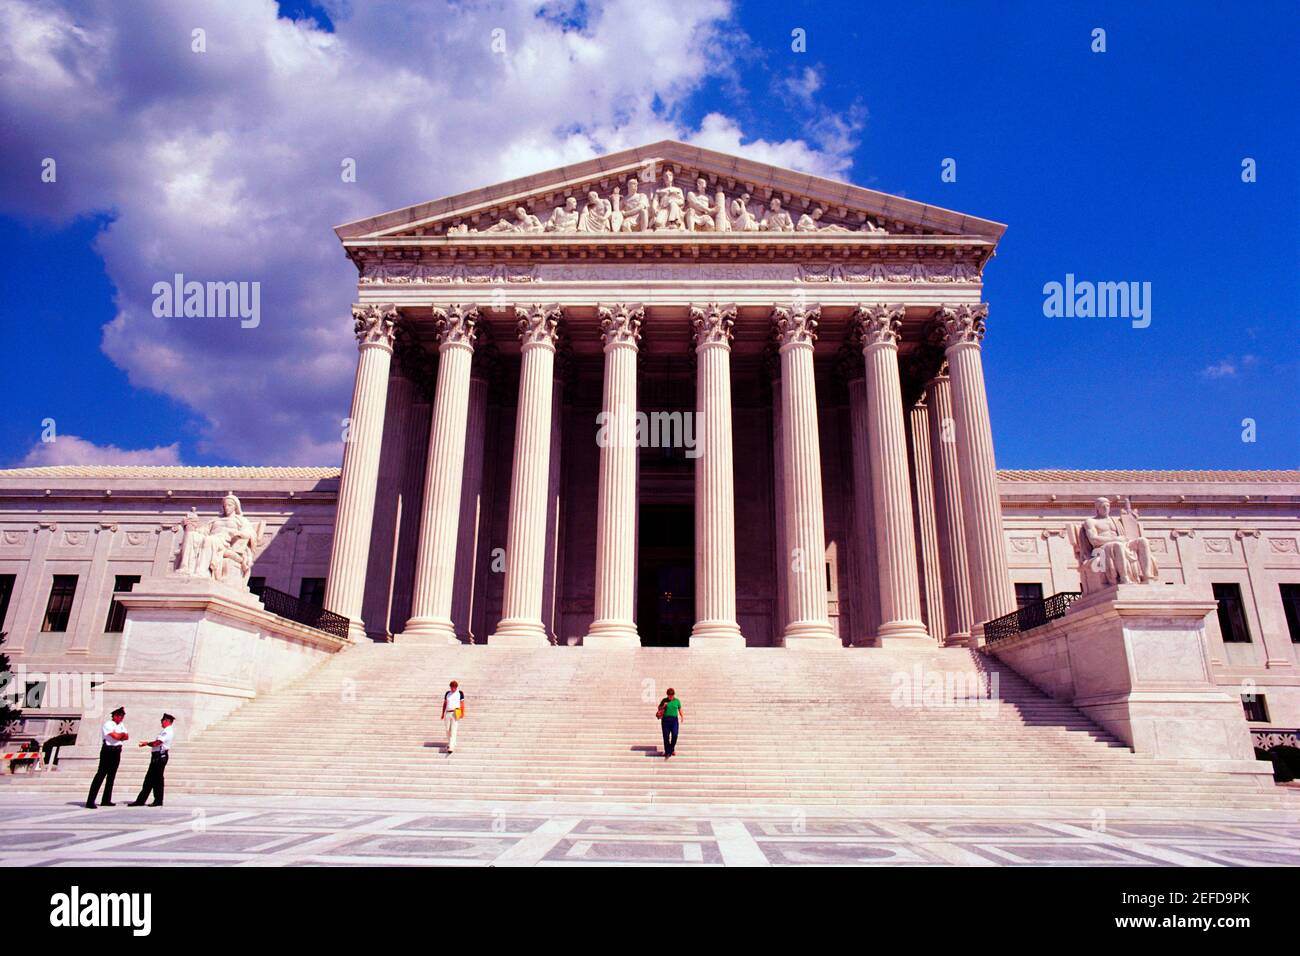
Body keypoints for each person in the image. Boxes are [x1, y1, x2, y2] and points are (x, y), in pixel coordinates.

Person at [85, 707, 128, 808]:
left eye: (122, 716)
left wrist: (120, 735)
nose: (121, 718)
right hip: (108, 751)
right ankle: (90, 801)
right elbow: (115, 736)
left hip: (117, 751)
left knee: (111, 777)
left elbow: (126, 737)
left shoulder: (121, 725)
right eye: (120, 716)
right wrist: (120, 735)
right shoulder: (108, 724)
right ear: (115, 716)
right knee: (100, 775)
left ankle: (106, 799)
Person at [129, 713, 175, 807]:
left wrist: (146, 743)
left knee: (155, 779)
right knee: (151, 779)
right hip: (157, 757)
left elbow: (157, 743)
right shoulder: (166, 730)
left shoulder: (167, 731)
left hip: (159, 757)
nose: (161, 722)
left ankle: (155, 800)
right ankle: (144, 800)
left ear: (167, 721)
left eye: (162, 720)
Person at [441, 680, 466, 754]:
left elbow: (462, 703)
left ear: (456, 687)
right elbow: (445, 703)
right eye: (451, 687)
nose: (452, 689)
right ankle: (450, 742)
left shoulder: (460, 693)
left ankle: (451, 746)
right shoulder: (447, 693)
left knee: (453, 729)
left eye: (454, 688)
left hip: (456, 712)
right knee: (447, 729)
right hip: (448, 712)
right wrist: (442, 713)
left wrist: (462, 712)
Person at [658, 688, 683, 759]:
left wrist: (682, 716)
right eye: (669, 696)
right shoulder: (664, 700)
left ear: (674, 695)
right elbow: (659, 708)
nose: (670, 697)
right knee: (666, 736)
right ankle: (667, 751)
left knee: (675, 735)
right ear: (667, 695)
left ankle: (671, 749)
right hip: (665, 720)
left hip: (674, 720)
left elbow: (680, 708)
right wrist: (663, 706)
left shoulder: (677, 701)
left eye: (671, 696)